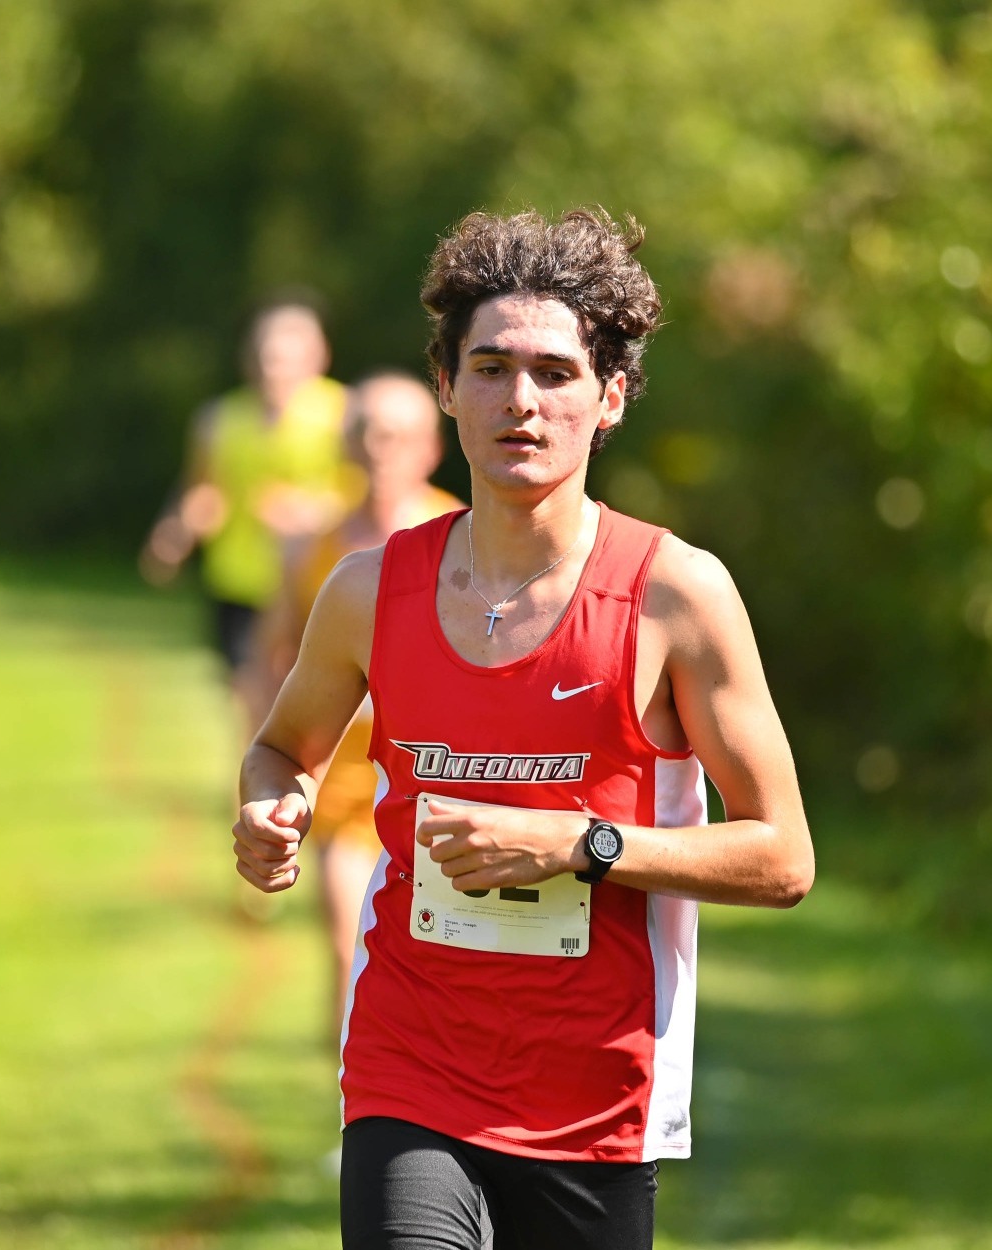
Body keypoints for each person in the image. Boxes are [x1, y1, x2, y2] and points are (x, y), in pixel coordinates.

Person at [231, 208, 814, 1249]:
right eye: (490, 367)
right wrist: (267, 804)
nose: (520, 401)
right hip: (407, 1062)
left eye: (553, 372)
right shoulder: (368, 589)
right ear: (445, 385)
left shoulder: (674, 594)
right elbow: (283, 747)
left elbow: (782, 855)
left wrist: (573, 845)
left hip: (595, 1095)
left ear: (610, 398)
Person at [263, 372, 463, 1048]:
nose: (382, 450)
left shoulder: (461, 539)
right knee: (351, 955)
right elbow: (282, 659)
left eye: (399, 435)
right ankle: (352, 1126)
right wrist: (273, 766)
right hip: (347, 786)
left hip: (438, 782)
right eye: (366, 434)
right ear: (346, 447)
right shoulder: (313, 548)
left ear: (431, 448)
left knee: (443, 969)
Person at [141, 301, 353, 729]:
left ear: (318, 356)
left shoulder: (348, 415)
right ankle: (258, 784)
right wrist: (175, 534)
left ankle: (308, 787)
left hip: (315, 580)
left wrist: (312, 510)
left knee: (305, 692)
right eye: (263, 357)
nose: (272, 369)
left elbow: (370, 492)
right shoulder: (218, 419)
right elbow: (201, 487)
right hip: (238, 579)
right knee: (247, 694)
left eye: (284, 358)